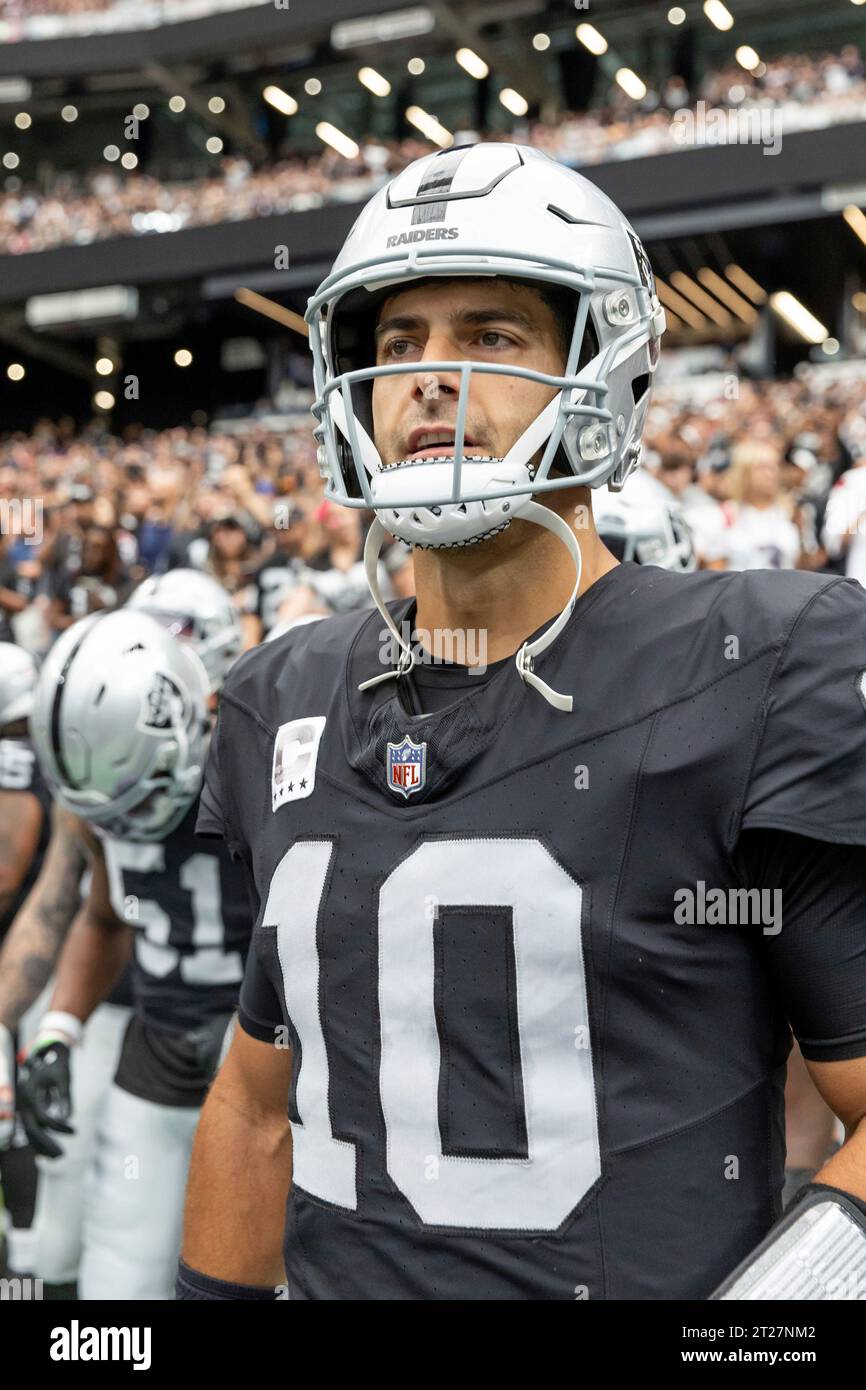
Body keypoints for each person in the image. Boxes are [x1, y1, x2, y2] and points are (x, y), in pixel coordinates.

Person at [180, 143, 866, 1301]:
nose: (427, 378)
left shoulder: (759, 660)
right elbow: (257, 1099)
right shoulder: (281, 692)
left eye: (489, 336)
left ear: (599, 364)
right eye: (397, 344)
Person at [1, 603, 250, 1299]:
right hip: (159, 1045)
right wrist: (56, 1027)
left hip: (262, 1049)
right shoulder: (92, 785)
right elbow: (105, 915)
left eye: (132, 800)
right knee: (117, 1288)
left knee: (249, 1273)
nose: (121, 824)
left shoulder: (253, 764)